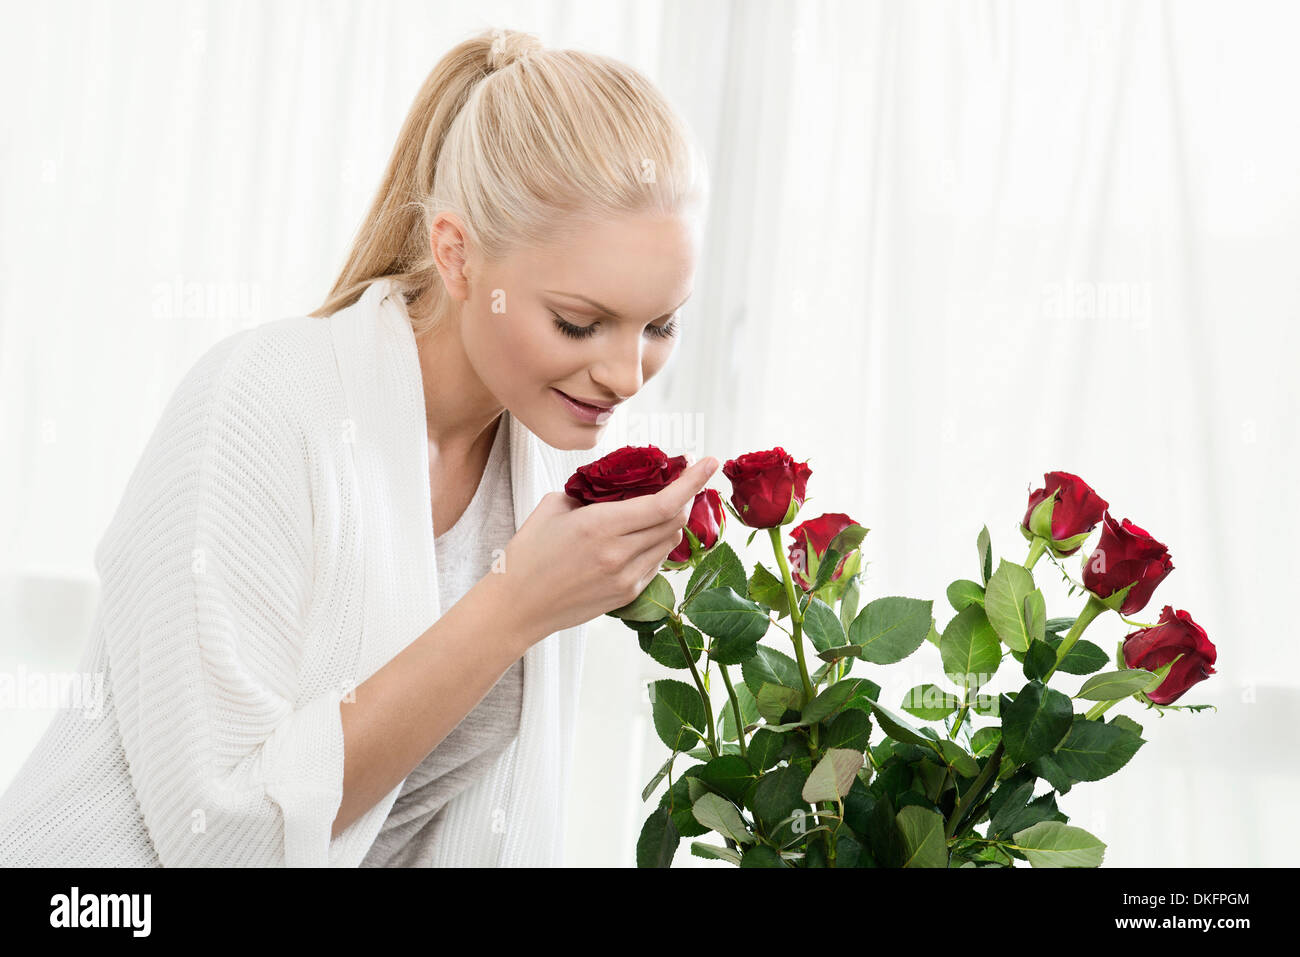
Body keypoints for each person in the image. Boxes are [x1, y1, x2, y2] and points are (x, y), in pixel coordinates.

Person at [0, 26, 715, 867]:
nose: (627, 375)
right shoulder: (263, 405)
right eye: (578, 322)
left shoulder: (543, 472)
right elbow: (223, 833)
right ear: (456, 255)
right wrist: (513, 604)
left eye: (660, 324)